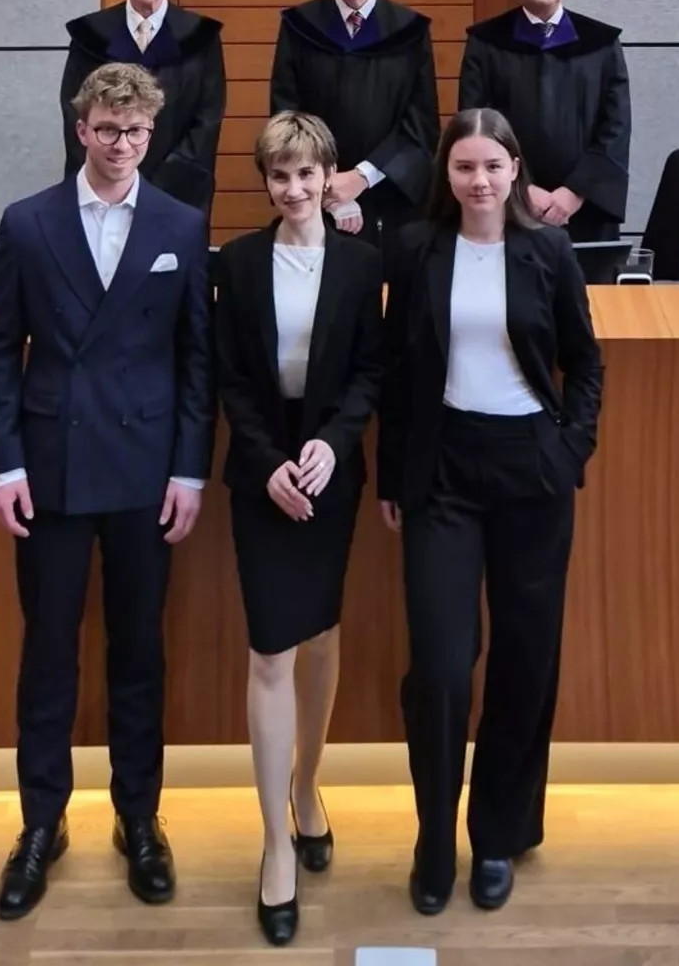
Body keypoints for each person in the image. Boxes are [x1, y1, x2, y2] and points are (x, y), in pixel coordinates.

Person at [0, 61, 214, 922]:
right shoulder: (29, 223)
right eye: (109, 130)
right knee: (47, 654)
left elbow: (198, 361)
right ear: (82, 129)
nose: (122, 145)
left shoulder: (182, 226)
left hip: (147, 473)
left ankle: (138, 817)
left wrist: (191, 468)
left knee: (138, 650)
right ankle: (41, 824)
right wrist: (3, 465)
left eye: (137, 133)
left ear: (152, 136)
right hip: (50, 472)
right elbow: (1, 351)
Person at [378, 107, 603, 919]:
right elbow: (398, 372)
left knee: (523, 661)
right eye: (464, 166)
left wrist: (568, 449)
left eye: (493, 166)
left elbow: (584, 362)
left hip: (531, 473)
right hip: (442, 473)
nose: (479, 180)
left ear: (515, 172)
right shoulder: (414, 248)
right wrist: (392, 480)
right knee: (439, 667)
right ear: (447, 173)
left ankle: (499, 833)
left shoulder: (547, 250)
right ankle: (434, 834)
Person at [214, 113, 382, 947]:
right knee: (269, 647)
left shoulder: (362, 263)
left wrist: (330, 444)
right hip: (262, 474)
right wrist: (268, 458)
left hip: (329, 472)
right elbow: (231, 379)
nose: (293, 189)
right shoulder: (239, 264)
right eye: (279, 176)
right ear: (267, 182)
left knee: (319, 634)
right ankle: (276, 840)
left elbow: (369, 372)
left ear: (328, 177)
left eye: (306, 175)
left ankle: (309, 788)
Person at [270, 0, 439, 244]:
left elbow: (421, 125)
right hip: (316, 196)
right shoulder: (299, 27)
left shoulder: (410, 31)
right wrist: (327, 185)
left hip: (391, 196)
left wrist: (362, 177)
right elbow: (286, 117)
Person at [458, 0, 630, 240]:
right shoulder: (486, 43)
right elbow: (476, 126)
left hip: (584, 207)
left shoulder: (601, 43)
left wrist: (575, 191)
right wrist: (521, 189)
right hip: (508, 204)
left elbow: (615, 128)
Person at [60, 0, 225, 216]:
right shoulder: (90, 37)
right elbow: (76, 111)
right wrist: (114, 174)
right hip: (103, 188)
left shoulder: (200, 38)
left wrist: (159, 182)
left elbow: (207, 120)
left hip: (179, 192)